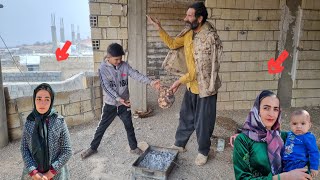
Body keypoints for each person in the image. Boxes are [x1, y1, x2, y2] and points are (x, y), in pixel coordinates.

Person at [147, 2, 223, 166]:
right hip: (191, 86)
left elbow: (199, 71)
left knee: (203, 122)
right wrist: (159, 28)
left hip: (205, 88)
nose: (185, 18)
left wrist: (178, 81)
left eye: (189, 15)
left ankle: (203, 151)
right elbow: (173, 44)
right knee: (186, 116)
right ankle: (180, 144)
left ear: (200, 18)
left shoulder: (208, 39)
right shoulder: (189, 33)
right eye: (186, 15)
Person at [81, 43, 160, 159]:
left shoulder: (124, 66)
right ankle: (92, 148)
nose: (119, 61)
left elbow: (136, 75)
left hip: (124, 105)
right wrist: (118, 99)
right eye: (116, 59)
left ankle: (134, 148)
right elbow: (106, 87)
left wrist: (151, 82)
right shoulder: (102, 69)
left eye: (120, 58)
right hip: (110, 104)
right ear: (108, 57)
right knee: (102, 127)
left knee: (129, 126)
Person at [233, 90, 312, 180]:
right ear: (257, 110)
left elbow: (308, 157)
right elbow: (242, 178)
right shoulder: (243, 140)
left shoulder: (285, 137)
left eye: (275, 109)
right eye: (266, 108)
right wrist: (284, 177)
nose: (271, 114)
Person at [21, 83, 72, 180]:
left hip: (56, 174)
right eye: (39, 99)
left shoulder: (59, 121)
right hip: (33, 175)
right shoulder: (29, 121)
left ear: (51, 101)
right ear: (34, 100)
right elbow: (24, 149)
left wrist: (50, 173)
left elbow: (67, 150)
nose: (42, 103)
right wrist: (33, 172)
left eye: (47, 99)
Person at [282, 109, 319, 178]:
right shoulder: (290, 134)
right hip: (286, 161)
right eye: (295, 124)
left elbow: (314, 152)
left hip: (298, 163)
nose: (298, 126)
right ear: (290, 124)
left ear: (309, 125)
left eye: (303, 123)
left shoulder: (308, 137)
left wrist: (314, 167)